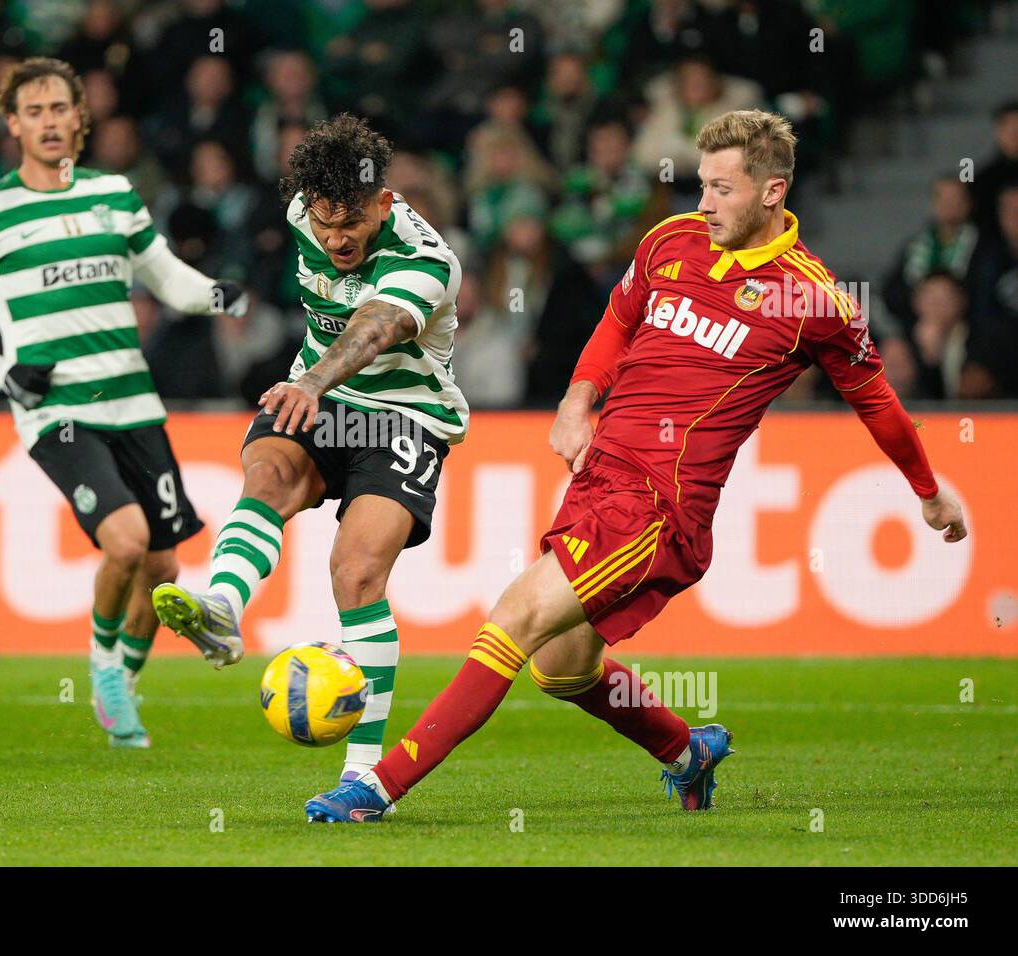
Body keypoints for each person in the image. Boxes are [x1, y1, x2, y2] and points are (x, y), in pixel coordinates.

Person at [304, 109, 968, 822]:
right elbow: (620, 319)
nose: (704, 203)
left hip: (659, 504)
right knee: (562, 667)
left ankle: (375, 789)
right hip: (599, 479)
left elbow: (878, 403)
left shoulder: (813, 300)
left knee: (513, 617)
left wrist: (928, 492)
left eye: (723, 189)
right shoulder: (670, 242)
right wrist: (577, 398)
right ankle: (688, 751)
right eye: (703, 185)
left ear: (774, 193)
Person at [0, 57, 247, 748]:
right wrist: (2, 372)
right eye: (32, 111)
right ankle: (103, 671)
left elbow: (170, 282)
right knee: (124, 541)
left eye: (59, 109)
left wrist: (224, 291)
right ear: (13, 124)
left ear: (80, 119)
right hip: (57, 410)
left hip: (134, 399)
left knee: (162, 569)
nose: (47, 122)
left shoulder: (116, 195)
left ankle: (124, 681)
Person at [151, 114, 469, 787]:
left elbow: (376, 326)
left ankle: (361, 777)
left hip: (403, 417)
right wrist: (311, 386)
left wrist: (313, 380)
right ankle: (223, 609)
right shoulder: (303, 211)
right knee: (265, 471)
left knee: (355, 574)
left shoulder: (426, 259)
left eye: (350, 223)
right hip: (320, 399)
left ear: (385, 203)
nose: (335, 238)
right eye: (324, 223)